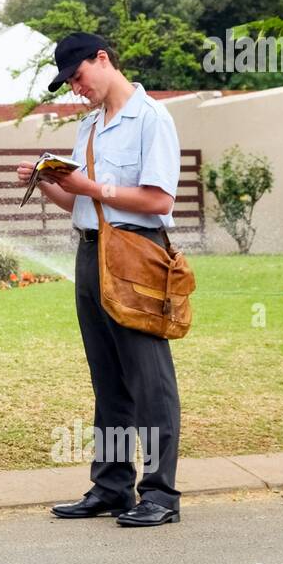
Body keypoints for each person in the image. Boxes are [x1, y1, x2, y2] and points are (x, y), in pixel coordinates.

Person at [18, 32, 184, 527]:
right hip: (91, 255)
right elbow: (81, 203)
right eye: (68, 81)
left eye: (78, 75)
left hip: (137, 253)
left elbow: (159, 200)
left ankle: (160, 495)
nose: (75, 87)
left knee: (150, 381)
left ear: (103, 59)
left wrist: (89, 185)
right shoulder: (90, 126)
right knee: (108, 381)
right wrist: (48, 181)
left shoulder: (151, 118)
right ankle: (112, 486)